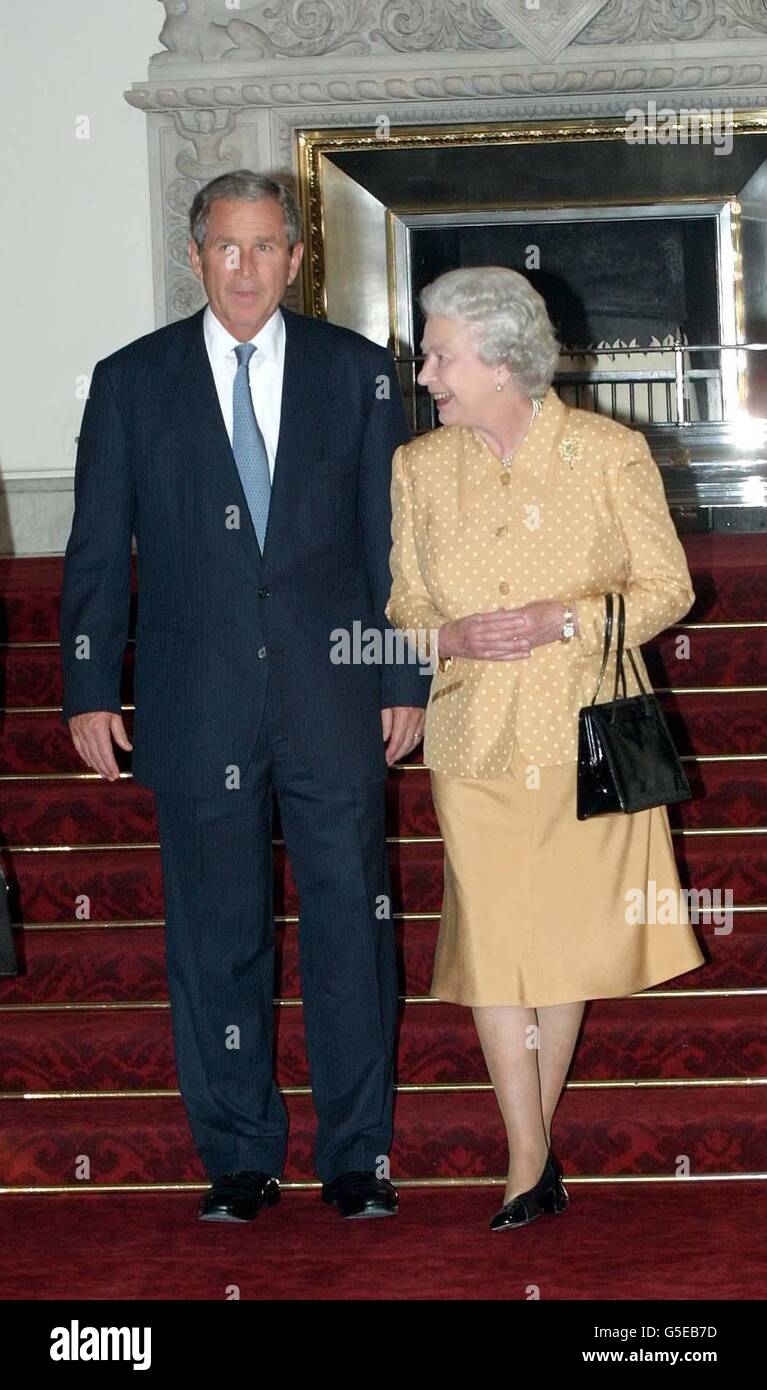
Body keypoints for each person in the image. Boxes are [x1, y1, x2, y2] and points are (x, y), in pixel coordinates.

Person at [60, 170, 427, 1223]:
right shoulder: (131, 381)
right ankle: (239, 1155)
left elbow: (386, 546)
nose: (247, 267)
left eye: (267, 246)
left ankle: (356, 1156)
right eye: (228, 246)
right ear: (195, 254)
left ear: (298, 258)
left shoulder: (357, 375)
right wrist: (90, 683)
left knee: (350, 933)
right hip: (196, 700)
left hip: (334, 696)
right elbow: (94, 550)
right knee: (216, 935)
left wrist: (399, 674)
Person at [385, 266, 705, 1231]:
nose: (428, 372)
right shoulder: (417, 466)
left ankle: (532, 1153)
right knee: (492, 944)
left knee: (560, 943)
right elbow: (404, 605)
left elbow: (667, 589)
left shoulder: (608, 452)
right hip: (474, 740)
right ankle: (527, 1153)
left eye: (441, 353)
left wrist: (565, 620)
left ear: (500, 360)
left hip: (589, 735)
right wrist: (446, 638)